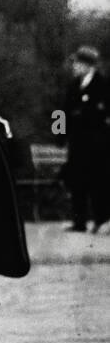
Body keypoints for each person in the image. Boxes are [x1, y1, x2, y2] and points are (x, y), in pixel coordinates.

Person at [61, 45, 110, 233]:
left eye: (78, 63)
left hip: (97, 144)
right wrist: (59, 135)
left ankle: (101, 219)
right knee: (77, 182)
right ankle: (79, 221)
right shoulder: (73, 86)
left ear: (88, 65)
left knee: (98, 182)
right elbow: (60, 112)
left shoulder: (102, 85)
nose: (74, 67)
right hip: (77, 142)